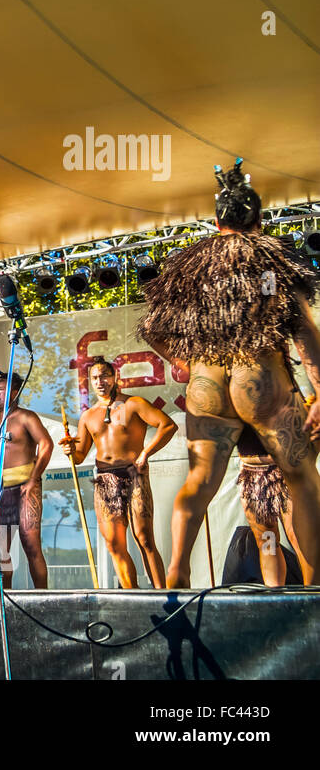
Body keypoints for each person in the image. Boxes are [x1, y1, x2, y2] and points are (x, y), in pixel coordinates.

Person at [138, 159, 320, 587]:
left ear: (217, 221)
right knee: (303, 481)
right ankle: (314, 594)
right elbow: (303, 331)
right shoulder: (271, 259)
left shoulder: (190, 267)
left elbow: (151, 328)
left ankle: (176, 574)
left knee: (198, 483)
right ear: (259, 219)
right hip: (259, 374)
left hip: (208, 380)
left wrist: (185, 363)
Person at [58, 358, 176, 588]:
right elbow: (79, 456)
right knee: (113, 543)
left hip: (134, 472)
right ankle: (132, 595)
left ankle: (162, 593)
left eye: (104, 376)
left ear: (114, 377)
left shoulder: (133, 404)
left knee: (144, 537)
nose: (99, 381)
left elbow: (168, 425)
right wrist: (70, 450)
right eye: (94, 378)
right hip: (105, 478)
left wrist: (146, 453)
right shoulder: (88, 416)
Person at [0, 372, 53, 589]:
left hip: (26, 487)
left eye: (1, 389)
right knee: (1, 551)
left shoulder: (26, 417)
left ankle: (42, 597)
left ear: (14, 393)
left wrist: (33, 479)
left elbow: (46, 444)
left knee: (31, 544)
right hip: (1, 491)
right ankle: (5, 599)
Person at [234, 427, 300, 587]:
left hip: (290, 466)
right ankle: (275, 593)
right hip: (252, 470)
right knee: (268, 540)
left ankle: (314, 592)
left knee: (298, 536)